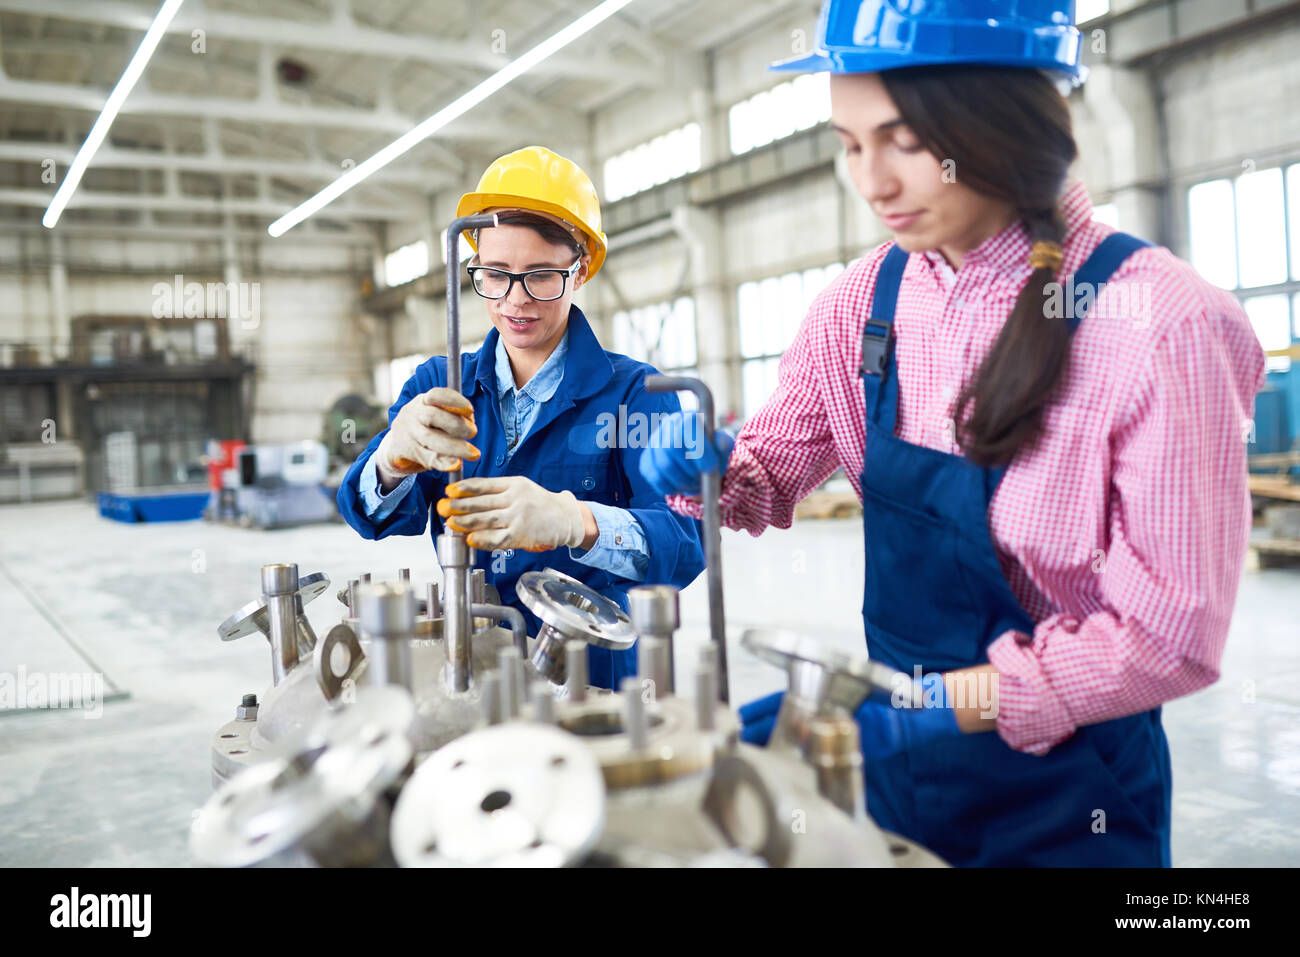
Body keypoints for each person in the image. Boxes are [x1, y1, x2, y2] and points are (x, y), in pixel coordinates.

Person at [639, 0, 1265, 866]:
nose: (872, 182)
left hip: (1070, 799)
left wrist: (933, 705)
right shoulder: (860, 308)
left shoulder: (1159, 325)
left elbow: (1168, 638)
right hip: (896, 781)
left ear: (998, 118)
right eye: (849, 143)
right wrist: (704, 469)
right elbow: (761, 480)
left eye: (902, 140)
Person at [338, 145, 705, 689]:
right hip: (472, 658)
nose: (515, 299)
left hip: (596, 674)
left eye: (541, 276)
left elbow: (684, 544)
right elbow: (371, 515)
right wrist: (392, 460)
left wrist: (577, 521)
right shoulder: (439, 386)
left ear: (578, 271)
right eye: (495, 274)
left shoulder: (639, 393)